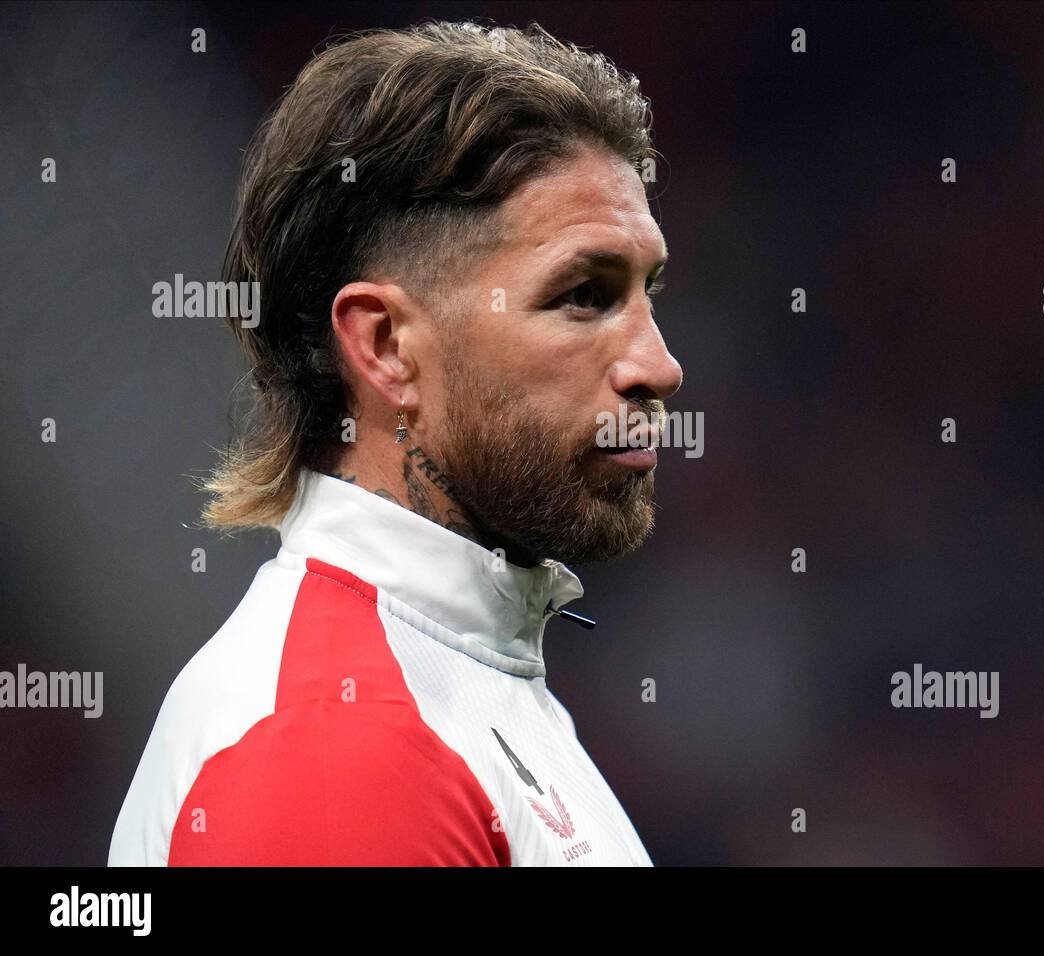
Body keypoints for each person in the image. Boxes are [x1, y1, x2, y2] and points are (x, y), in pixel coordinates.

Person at [108, 19, 681, 866]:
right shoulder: (344, 747)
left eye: (646, 292)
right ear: (383, 347)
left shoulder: (461, 685)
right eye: (583, 297)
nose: (658, 366)